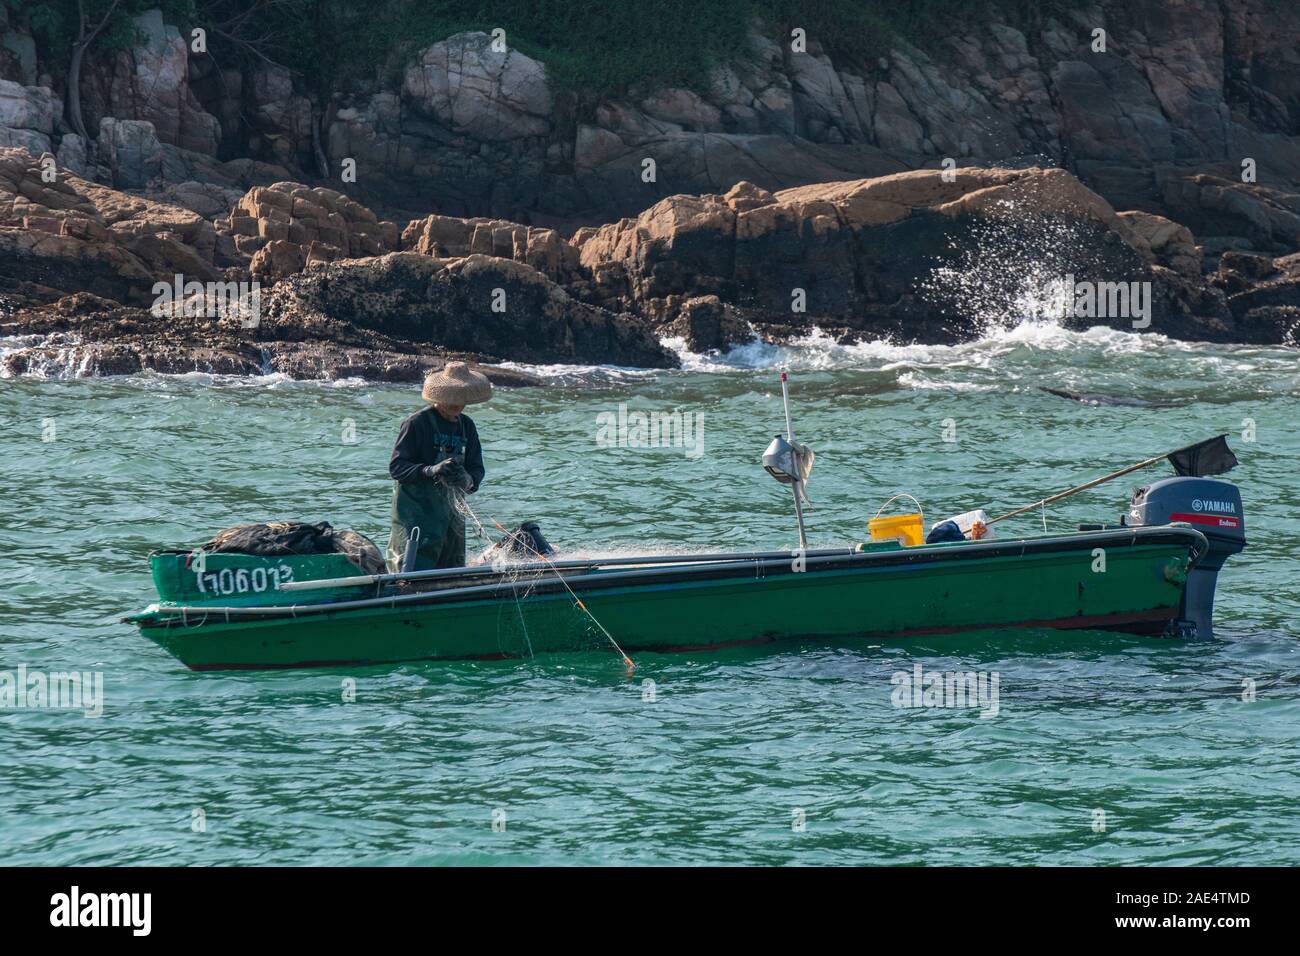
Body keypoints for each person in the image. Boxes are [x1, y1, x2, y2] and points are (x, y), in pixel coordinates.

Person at [388, 362, 489, 571]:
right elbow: (397, 467)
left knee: (452, 573)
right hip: (417, 517)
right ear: (439, 396)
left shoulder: (467, 426)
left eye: (460, 400)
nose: (456, 405)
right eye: (451, 399)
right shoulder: (416, 423)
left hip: (452, 519)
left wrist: (468, 480)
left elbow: (477, 468)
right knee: (411, 572)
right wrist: (430, 470)